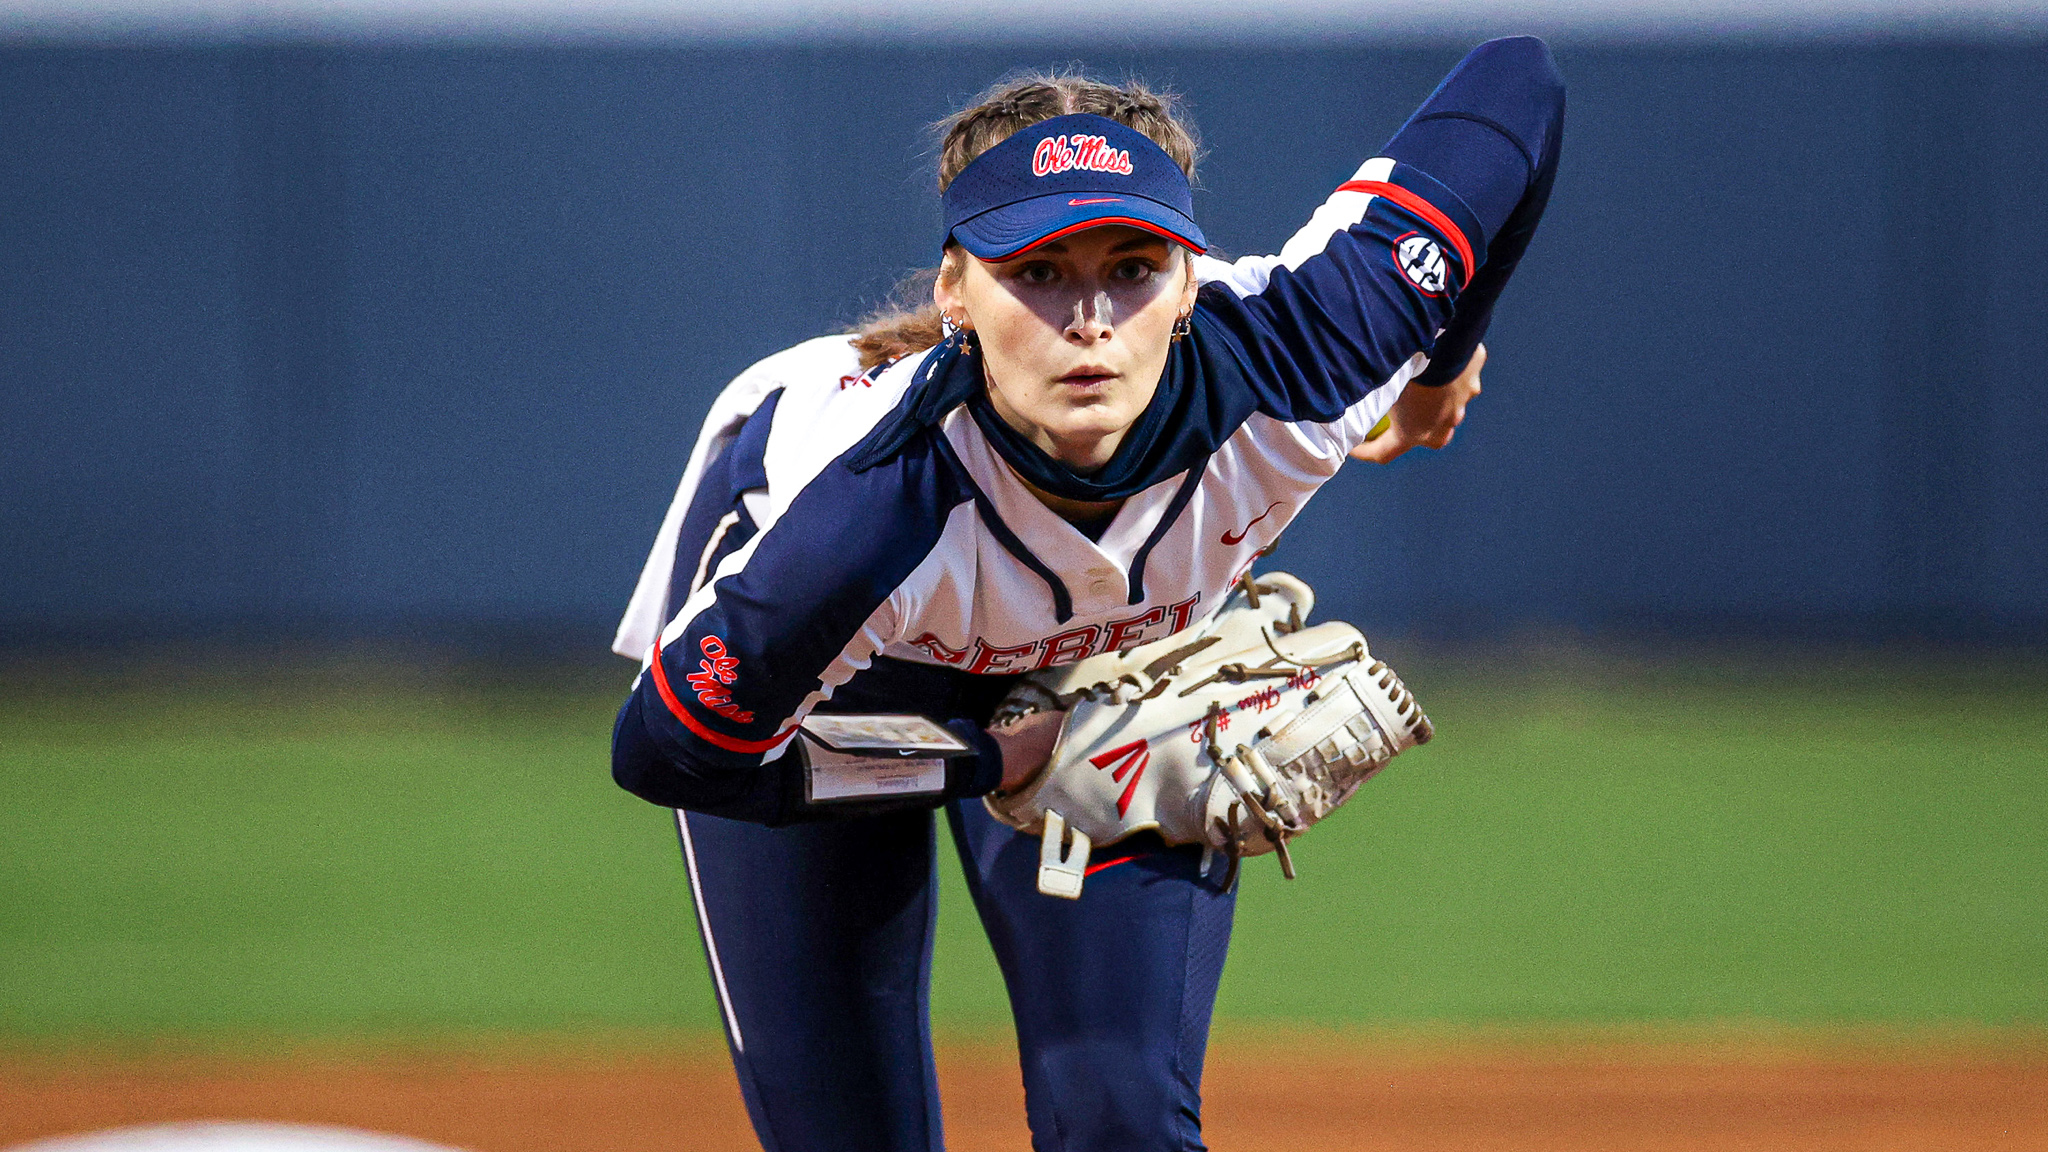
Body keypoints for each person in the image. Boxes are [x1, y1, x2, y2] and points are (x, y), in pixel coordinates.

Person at [609, 37, 1562, 1152]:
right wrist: (981, 760)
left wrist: (1441, 362)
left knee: (1120, 1121)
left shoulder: (1312, 353)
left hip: (1104, 685)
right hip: (837, 679)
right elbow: (674, 751)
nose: (1089, 322)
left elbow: (1518, 84)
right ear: (955, 292)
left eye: (1129, 266)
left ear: (1189, 286)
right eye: (1038, 272)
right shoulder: (863, 511)